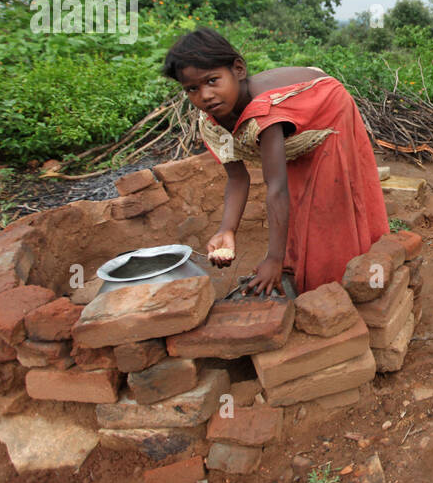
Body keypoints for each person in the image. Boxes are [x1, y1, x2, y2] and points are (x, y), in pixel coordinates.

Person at [160, 26, 390, 297]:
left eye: (212, 80)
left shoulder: (264, 113)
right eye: (192, 89)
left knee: (327, 201)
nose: (205, 95)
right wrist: (227, 230)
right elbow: (237, 178)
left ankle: (336, 284)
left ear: (238, 70)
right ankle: (298, 265)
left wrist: (273, 258)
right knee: (298, 194)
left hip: (326, 105)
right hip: (293, 112)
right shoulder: (211, 121)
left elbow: (276, 187)